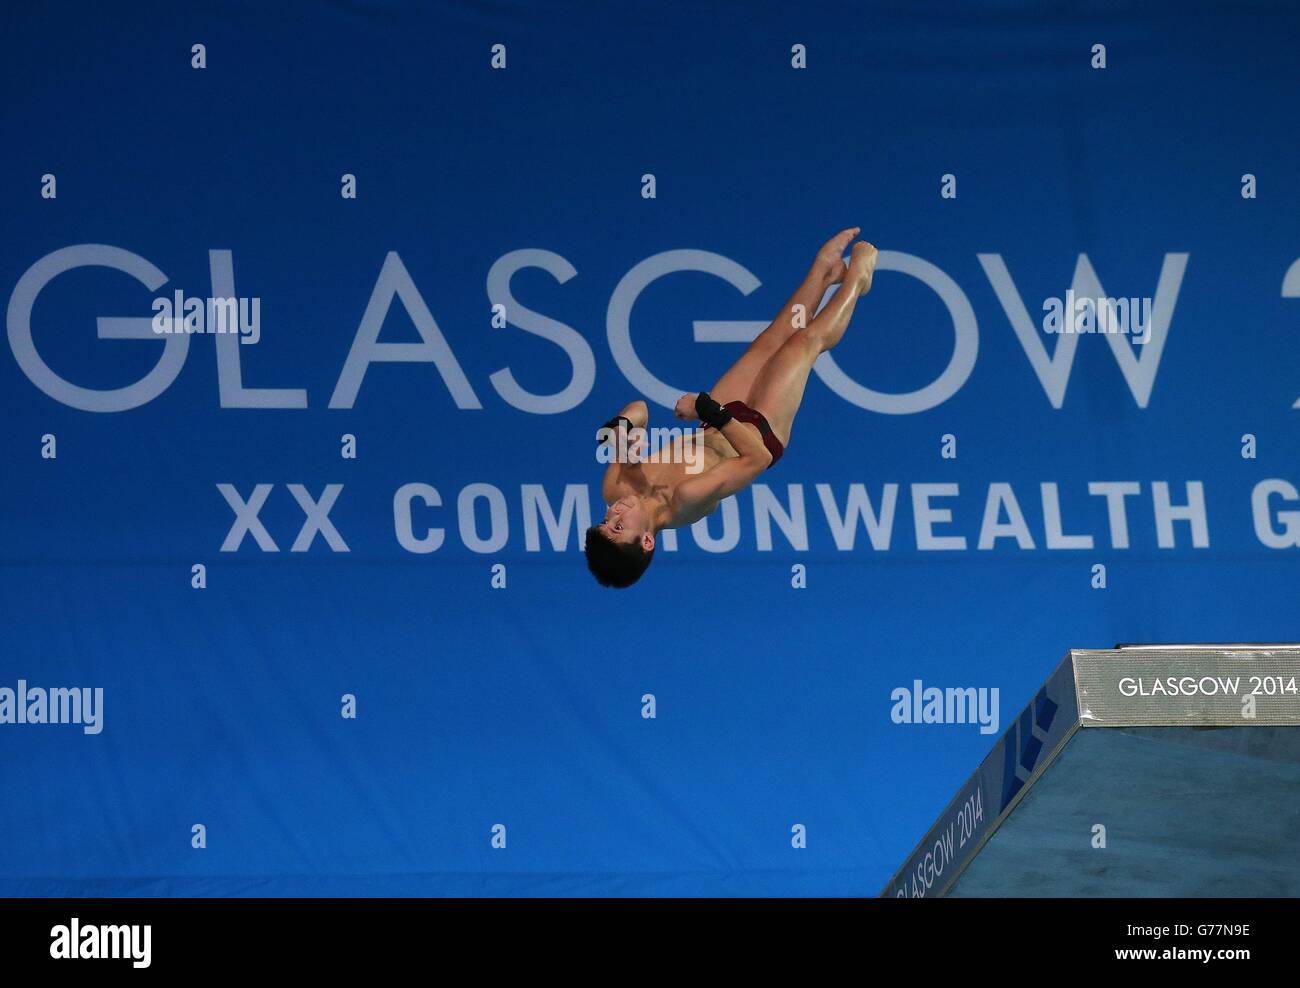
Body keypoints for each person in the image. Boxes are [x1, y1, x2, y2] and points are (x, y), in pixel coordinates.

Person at [585, 228, 878, 587]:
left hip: (713, 422)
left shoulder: (615, 487)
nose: (614, 513)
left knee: (775, 335)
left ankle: (824, 271)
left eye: (605, 521)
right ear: (647, 541)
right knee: (803, 343)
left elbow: (639, 410)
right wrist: (707, 409)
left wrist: (621, 427)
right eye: (618, 527)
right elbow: (755, 459)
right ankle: (855, 284)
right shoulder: (685, 500)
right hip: (759, 433)